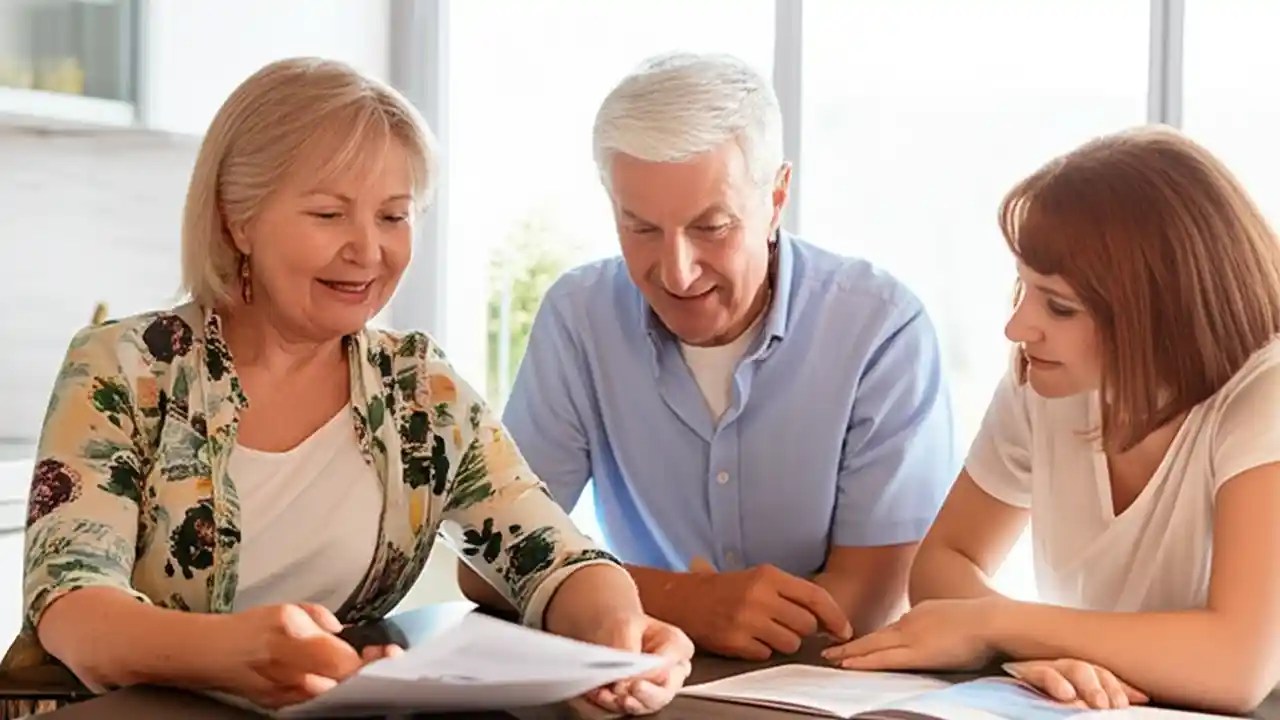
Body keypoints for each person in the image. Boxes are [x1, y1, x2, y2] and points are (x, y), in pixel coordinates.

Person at [0, 57, 692, 718]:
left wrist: (620, 635)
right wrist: (236, 654)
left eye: (393, 216)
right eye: (330, 215)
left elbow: (552, 557)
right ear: (238, 219)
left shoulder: (421, 392)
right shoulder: (126, 368)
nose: (369, 249)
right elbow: (74, 608)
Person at [459, 52, 956, 661]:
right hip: (642, 678)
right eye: (640, 228)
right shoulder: (578, 316)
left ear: (776, 198)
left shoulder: (880, 327)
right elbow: (489, 564)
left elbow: (867, 603)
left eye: (712, 227)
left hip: (827, 689)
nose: (676, 271)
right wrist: (685, 601)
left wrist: (625, 599)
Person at [823, 126, 1280, 715]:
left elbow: (1237, 665)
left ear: (1161, 311)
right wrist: (1039, 653)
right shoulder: (1048, 381)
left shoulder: (1265, 394)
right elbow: (943, 562)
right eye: (1024, 289)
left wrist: (999, 625)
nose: (1018, 327)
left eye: (1058, 306)